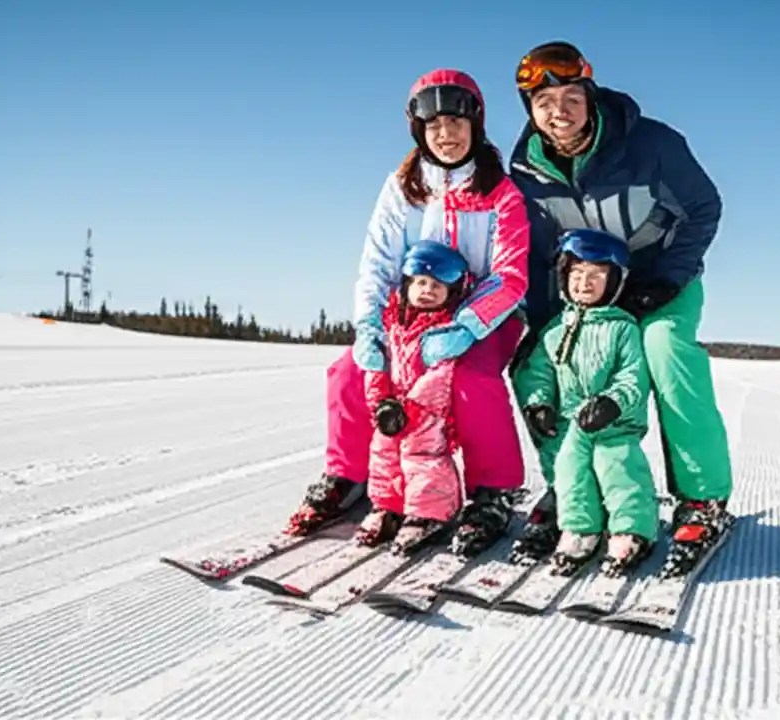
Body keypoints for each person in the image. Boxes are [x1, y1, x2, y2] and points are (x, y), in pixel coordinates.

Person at [506, 41, 733, 576]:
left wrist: (665, 281)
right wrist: (541, 326)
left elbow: (704, 208)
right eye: (544, 102)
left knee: (665, 352)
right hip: (582, 295)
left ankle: (702, 499)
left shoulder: (650, 144)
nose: (558, 111)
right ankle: (570, 489)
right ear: (530, 110)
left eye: (569, 97)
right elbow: (538, 253)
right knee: (543, 368)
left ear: (591, 96)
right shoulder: (526, 173)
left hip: (657, 287)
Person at [285, 69, 531, 558]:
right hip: (408, 318)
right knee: (351, 372)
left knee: (470, 381)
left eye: (456, 122)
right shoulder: (403, 188)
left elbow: (510, 274)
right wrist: (370, 325)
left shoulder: (501, 193)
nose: (446, 133)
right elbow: (377, 262)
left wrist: (466, 326)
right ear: (419, 130)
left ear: (476, 123)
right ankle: (349, 476)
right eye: (434, 124)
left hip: (486, 317)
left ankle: (492, 491)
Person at [513, 229, 659, 577]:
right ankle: (580, 528)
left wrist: (611, 402)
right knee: (569, 472)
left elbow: (632, 375)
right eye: (577, 273)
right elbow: (538, 374)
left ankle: (631, 529)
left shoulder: (623, 328)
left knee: (618, 468)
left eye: (596, 275)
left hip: (614, 424)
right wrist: (539, 405)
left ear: (614, 283)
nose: (584, 283)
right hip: (570, 425)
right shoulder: (554, 329)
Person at [355, 242, 472, 554]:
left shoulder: (445, 330)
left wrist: (410, 407)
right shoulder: (391, 325)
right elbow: (377, 367)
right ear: (406, 285)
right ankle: (386, 507)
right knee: (383, 452)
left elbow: (440, 376)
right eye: (420, 283)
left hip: (426, 414)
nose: (427, 291)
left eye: (437, 286)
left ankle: (428, 512)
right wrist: (380, 403)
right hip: (391, 409)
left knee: (423, 456)